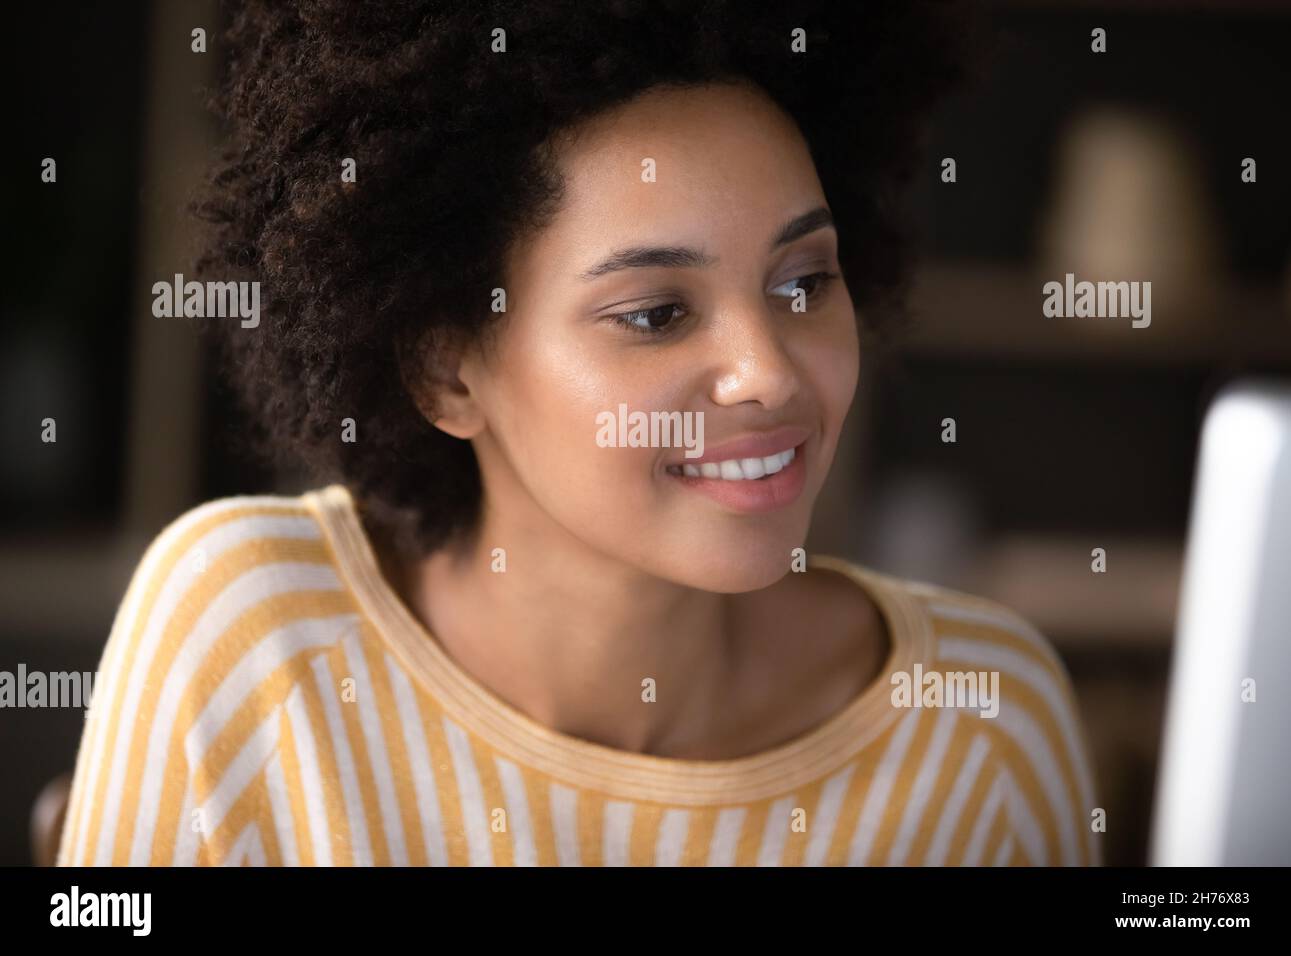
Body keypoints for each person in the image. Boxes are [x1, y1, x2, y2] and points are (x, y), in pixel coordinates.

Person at [58, 0, 1100, 866]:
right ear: (444, 368)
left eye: (801, 281)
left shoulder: (979, 724)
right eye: (655, 312)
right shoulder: (250, 638)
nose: (770, 371)